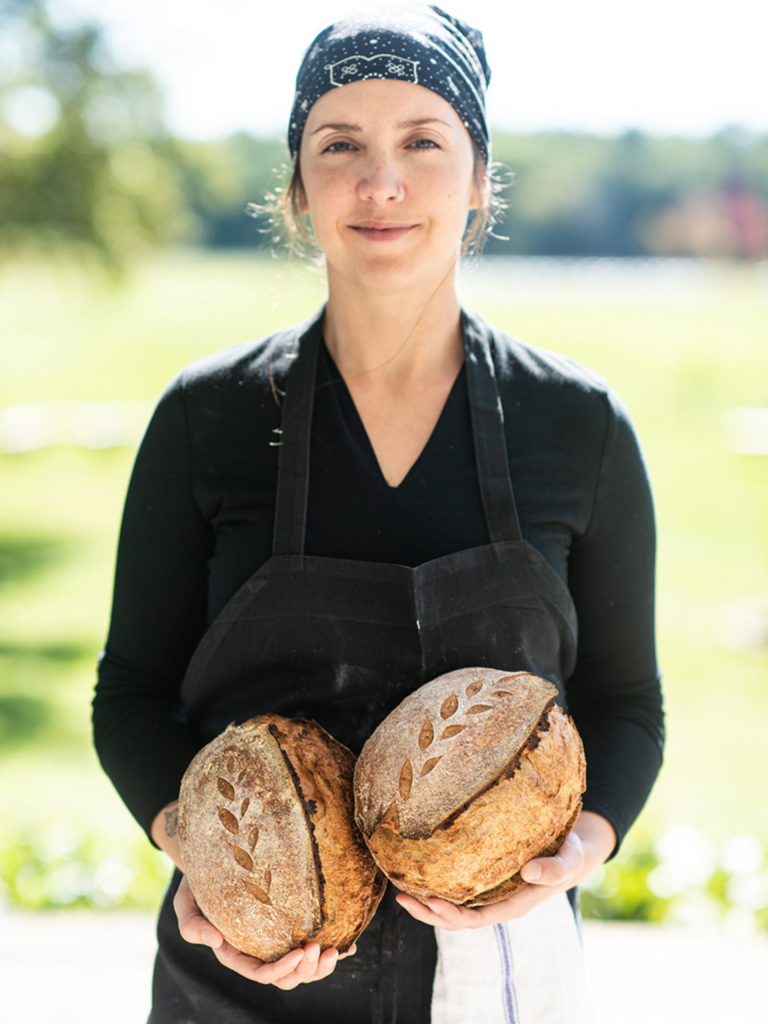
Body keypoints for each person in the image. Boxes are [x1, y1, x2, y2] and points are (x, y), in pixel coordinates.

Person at [93, 5, 664, 1023]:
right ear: (298, 186)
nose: (380, 182)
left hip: (499, 986)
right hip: (236, 987)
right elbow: (131, 694)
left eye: (423, 142)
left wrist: (582, 845)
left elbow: (627, 703)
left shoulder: (577, 425)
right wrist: (202, 858)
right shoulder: (207, 417)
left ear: (480, 177)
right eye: (339, 144)